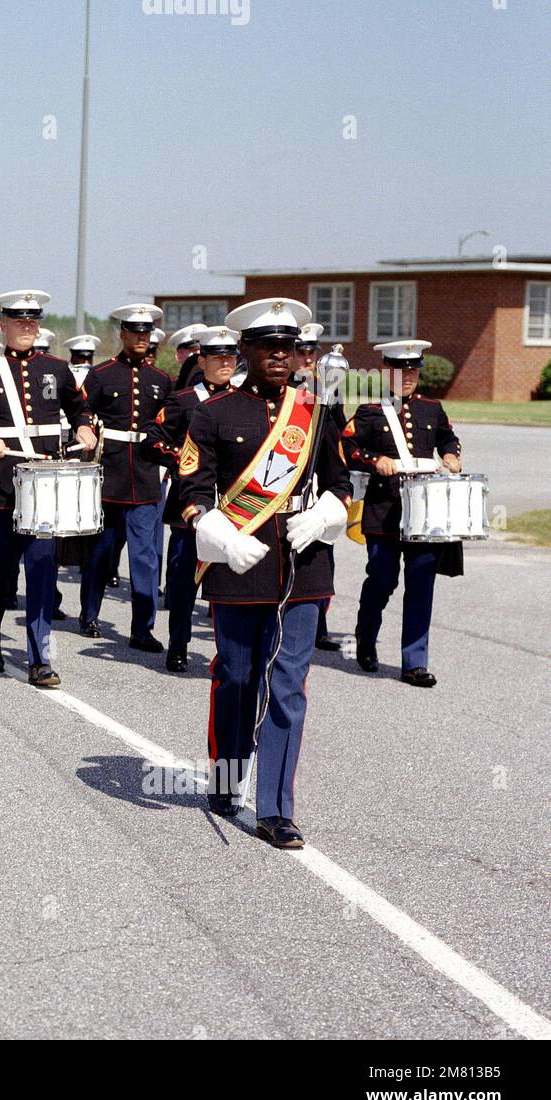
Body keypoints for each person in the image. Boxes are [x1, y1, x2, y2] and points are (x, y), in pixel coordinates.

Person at [180, 297, 351, 846]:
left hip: (305, 567)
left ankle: (275, 808)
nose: (280, 356)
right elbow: (191, 491)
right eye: (267, 347)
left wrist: (328, 513)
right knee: (236, 674)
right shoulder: (213, 413)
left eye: (289, 346)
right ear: (246, 351)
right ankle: (228, 777)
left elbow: (340, 482)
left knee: (288, 685)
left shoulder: (316, 411)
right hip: (238, 565)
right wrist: (219, 534)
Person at [0, 290, 97, 686]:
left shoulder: (58, 368)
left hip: (44, 490)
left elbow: (80, 407)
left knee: (44, 572)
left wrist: (84, 426)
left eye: (33, 321)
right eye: (19, 322)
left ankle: (40, 658)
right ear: (4, 326)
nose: (27, 328)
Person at [344, 339, 462, 688]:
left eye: (412, 370)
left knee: (421, 584)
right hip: (384, 510)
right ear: (387, 371)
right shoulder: (370, 411)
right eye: (399, 370)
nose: (407, 376)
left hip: (425, 511)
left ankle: (414, 662)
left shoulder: (432, 408)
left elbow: (448, 438)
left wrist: (452, 456)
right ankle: (366, 637)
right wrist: (373, 460)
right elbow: (347, 446)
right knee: (382, 579)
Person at [142, 325, 239, 671]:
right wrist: (183, 457)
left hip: (233, 507)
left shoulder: (244, 401)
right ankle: (178, 645)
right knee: (183, 584)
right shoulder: (183, 400)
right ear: (203, 359)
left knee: (228, 582)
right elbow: (151, 441)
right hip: (189, 507)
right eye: (218, 357)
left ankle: (229, 651)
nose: (225, 363)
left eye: (231, 357)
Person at [78, 303, 171, 651]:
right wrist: (84, 427)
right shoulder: (102, 374)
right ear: (123, 334)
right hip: (110, 475)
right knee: (101, 553)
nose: (141, 338)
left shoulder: (161, 380)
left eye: (146, 333)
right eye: (135, 332)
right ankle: (89, 614)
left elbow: (169, 423)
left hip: (146, 476)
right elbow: (83, 409)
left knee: (145, 558)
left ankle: (142, 629)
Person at [291, 322, 344, 651]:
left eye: (312, 352)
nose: (308, 358)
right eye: (302, 351)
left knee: (321, 553)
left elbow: (336, 439)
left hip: (316, 488)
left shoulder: (329, 388)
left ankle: (318, 623)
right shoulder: (284, 388)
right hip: (289, 483)